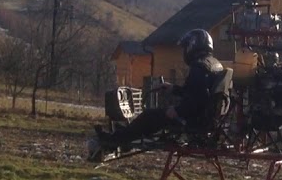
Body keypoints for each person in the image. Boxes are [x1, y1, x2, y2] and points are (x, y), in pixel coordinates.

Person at [90, 29, 228, 158]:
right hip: (205, 119)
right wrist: (173, 88)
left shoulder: (199, 67)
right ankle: (127, 134)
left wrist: (177, 111)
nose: (185, 51)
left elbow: (197, 99)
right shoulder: (214, 64)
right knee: (151, 118)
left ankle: (114, 140)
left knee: (148, 116)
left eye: (186, 47)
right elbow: (196, 93)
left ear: (193, 46)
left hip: (193, 120)